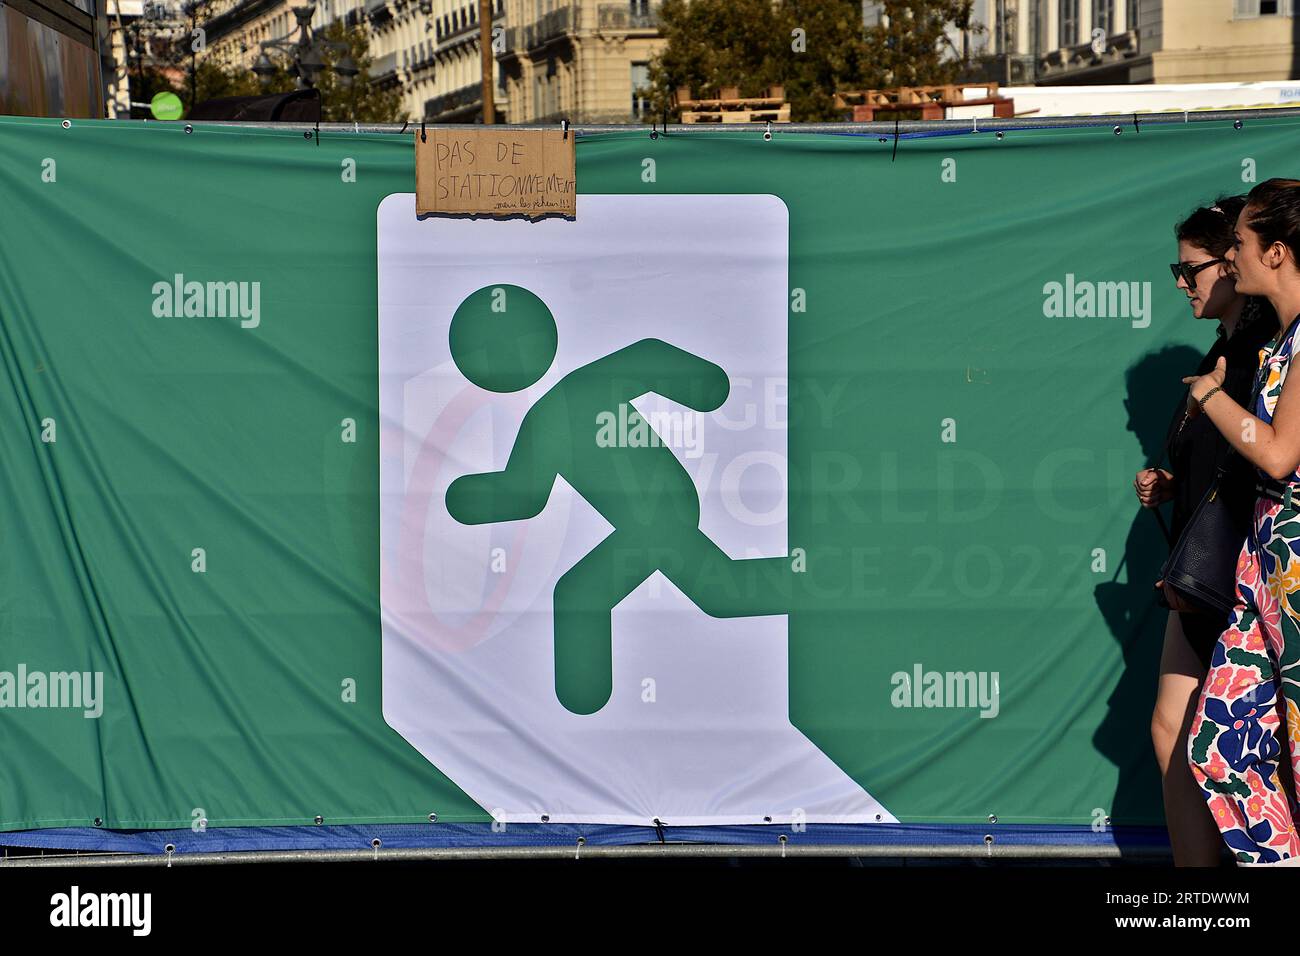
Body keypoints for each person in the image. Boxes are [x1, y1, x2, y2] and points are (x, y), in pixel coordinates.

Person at [1135, 196, 1278, 866]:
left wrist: (1212, 397)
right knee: (1177, 731)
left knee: (1225, 744)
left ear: (1233, 262)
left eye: (1188, 267)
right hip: (1208, 572)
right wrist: (1169, 484)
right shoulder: (1225, 351)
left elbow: (1271, 458)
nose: (1181, 282)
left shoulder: (1263, 352)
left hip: (1241, 576)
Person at [1183, 179, 1300, 864]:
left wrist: (1211, 398)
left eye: (1243, 241)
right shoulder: (1280, 339)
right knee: (1218, 745)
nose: (1231, 255)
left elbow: (1281, 455)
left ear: (1278, 252)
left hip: (1294, 567)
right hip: (1265, 566)